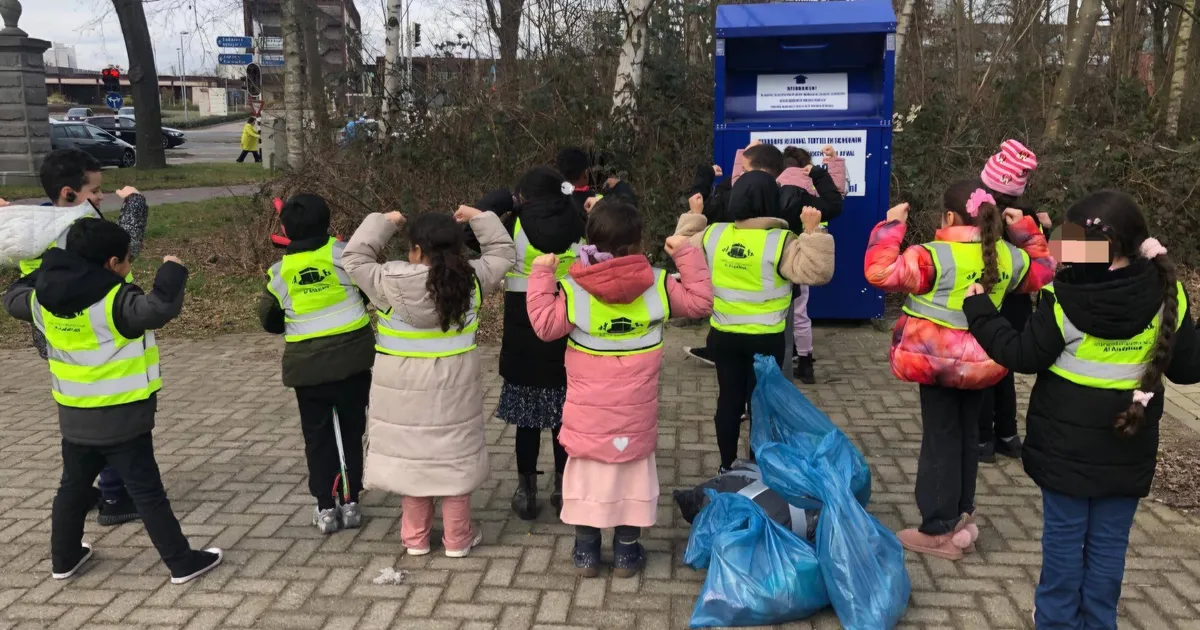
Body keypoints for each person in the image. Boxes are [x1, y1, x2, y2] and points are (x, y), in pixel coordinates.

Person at [964, 191, 1200, 629]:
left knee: (1064, 547)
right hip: (1129, 449)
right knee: (1109, 549)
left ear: (1096, 249)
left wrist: (980, 311)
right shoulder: (1170, 294)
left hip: (1064, 454)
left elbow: (1021, 355)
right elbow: (1188, 369)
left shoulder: (1063, 300)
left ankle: (1055, 622)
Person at [2, 218, 222, 583]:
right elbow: (159, 308)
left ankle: (65, 559)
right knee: (148, 494)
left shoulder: (42, 300)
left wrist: (42, 271)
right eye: (126, 260)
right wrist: (173, 269)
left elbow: (12, 299)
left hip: (74, 417)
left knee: (71, 490)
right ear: (110, 264)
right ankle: (182, 563)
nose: (128, 266)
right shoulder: (116, 302)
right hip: (123, 420)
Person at [864, 179, 1055, 560]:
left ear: (948, 216)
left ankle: (937, 530)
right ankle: (962, 514)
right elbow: (1045, 271)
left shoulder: (931, 256)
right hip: (983, 364)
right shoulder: (1008, 257)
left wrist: (890, 226)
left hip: (936, 367)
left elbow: (880, 274)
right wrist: (1026, 231)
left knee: (940, 442)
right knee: (968, 436)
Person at [526, 199, 713, 576]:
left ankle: (585, 552)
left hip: (587, 418)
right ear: (639, 242)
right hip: (634, 417)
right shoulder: (659, 284)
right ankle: (627, 552)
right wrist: (687, 255)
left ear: (589, 240)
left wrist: (540, 274)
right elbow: (701, 302)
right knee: (632, 475)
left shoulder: (574, 289)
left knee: (587, 477)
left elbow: (545, 326)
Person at [341, 205, 514, 557]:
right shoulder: (473, 280)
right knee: (455, 460)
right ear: (456, 249)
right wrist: (479, 216)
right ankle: (457, 539)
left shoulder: (386, 283)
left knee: (413, 462)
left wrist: (385, 221)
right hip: (455, 387)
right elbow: (503, 253)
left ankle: (416, 539)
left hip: (401, 390)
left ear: (417, 251)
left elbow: (355, 257)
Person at [4, 148, 150, 528]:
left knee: (78, 416)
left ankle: (82, 489)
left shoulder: (35, 224)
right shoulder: (78, 229)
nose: (100, 198)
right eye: (95, 191)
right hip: (101, 335)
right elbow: (126, 245)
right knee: (112, 415)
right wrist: (135, 205)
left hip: (56, 336)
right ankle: (117, 496)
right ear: (69, 193)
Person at [674, 170, 836, 472]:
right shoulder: (781, 241)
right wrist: (813, 233)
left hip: (723, 336)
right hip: (766, 340)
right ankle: (757, 467)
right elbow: (818, 272)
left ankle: (726, 466)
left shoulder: (714, 234)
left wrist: (695, 216)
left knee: (728, 401)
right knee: (761, 406)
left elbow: (678, 246)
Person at [258, 194, 375, 535]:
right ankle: (352, 502)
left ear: (285, 231)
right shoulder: (346, 257)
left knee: (317, 437)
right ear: (328, 223)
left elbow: (270, 321)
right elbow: (369, 291)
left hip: (308, 371)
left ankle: (325, 507)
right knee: (353, 432)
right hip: (354, 362)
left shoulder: (279, 273)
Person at [476, 167, 586, 521]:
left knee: (526, 420)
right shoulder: (577, 220)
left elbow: (470, 230)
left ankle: (526, 493)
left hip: (523, 327)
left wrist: (504, 200)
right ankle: (562, 489)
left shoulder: (512, 224)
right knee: (561, 416)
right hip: (567, 323)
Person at [682, 141, 844, 381]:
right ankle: (783, 382)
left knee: (732, 388)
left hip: (730, 316)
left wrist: (706, 178)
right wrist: (822, 172)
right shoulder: (796, 196)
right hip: (782, 287)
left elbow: (696, 215)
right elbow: (833, 204)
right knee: (788, 332)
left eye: (744, 170)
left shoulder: (734, 200)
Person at [974, 140, 1052, 463]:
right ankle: (1008, 434)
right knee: (1004, 369)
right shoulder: (1027, 217)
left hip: (985, 303)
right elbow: (1050, 261)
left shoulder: (974, 212)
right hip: (1017, 308)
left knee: (982, 372)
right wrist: (1044, 226)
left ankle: (982, 440)